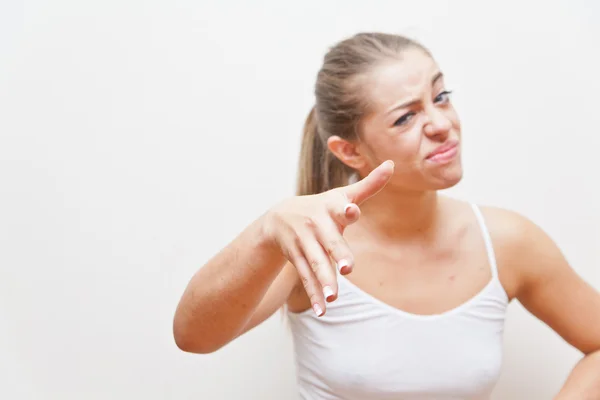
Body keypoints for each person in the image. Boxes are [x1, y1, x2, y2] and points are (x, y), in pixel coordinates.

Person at [172, 32, 600, 399]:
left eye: (441, 97)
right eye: (406, 117)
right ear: (350, 151)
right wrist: (267, 229)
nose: (441, 124)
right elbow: (194, 336)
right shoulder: (310, 247)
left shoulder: (508, 242)